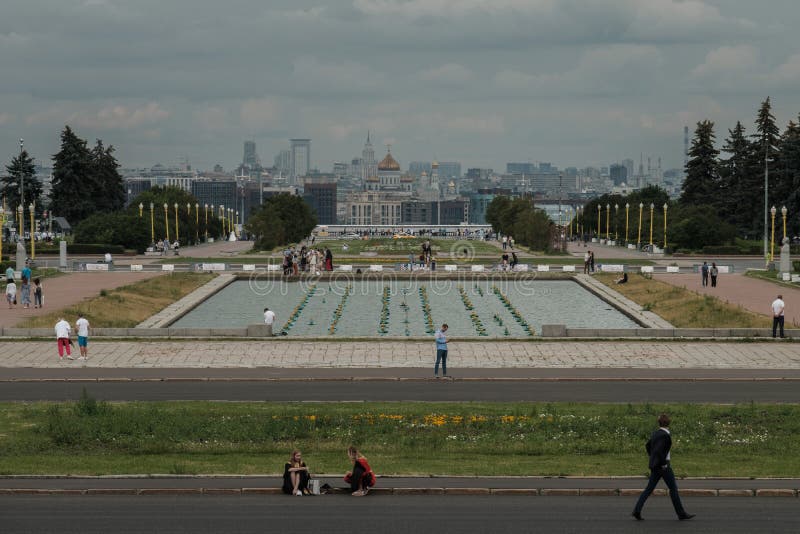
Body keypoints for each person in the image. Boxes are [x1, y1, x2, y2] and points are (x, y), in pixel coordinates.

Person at [632, 413, 694, 521]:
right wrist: (663, 463)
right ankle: (681, 514)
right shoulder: (666, 435)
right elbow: (660, 451)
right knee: (673, 489)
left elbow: (648, 446)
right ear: (669, 423)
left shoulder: (656, 433)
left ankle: (637, 510)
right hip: (663, 466)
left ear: (659, 423)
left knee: (649, 489)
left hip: (656, 466)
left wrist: (652, 458)